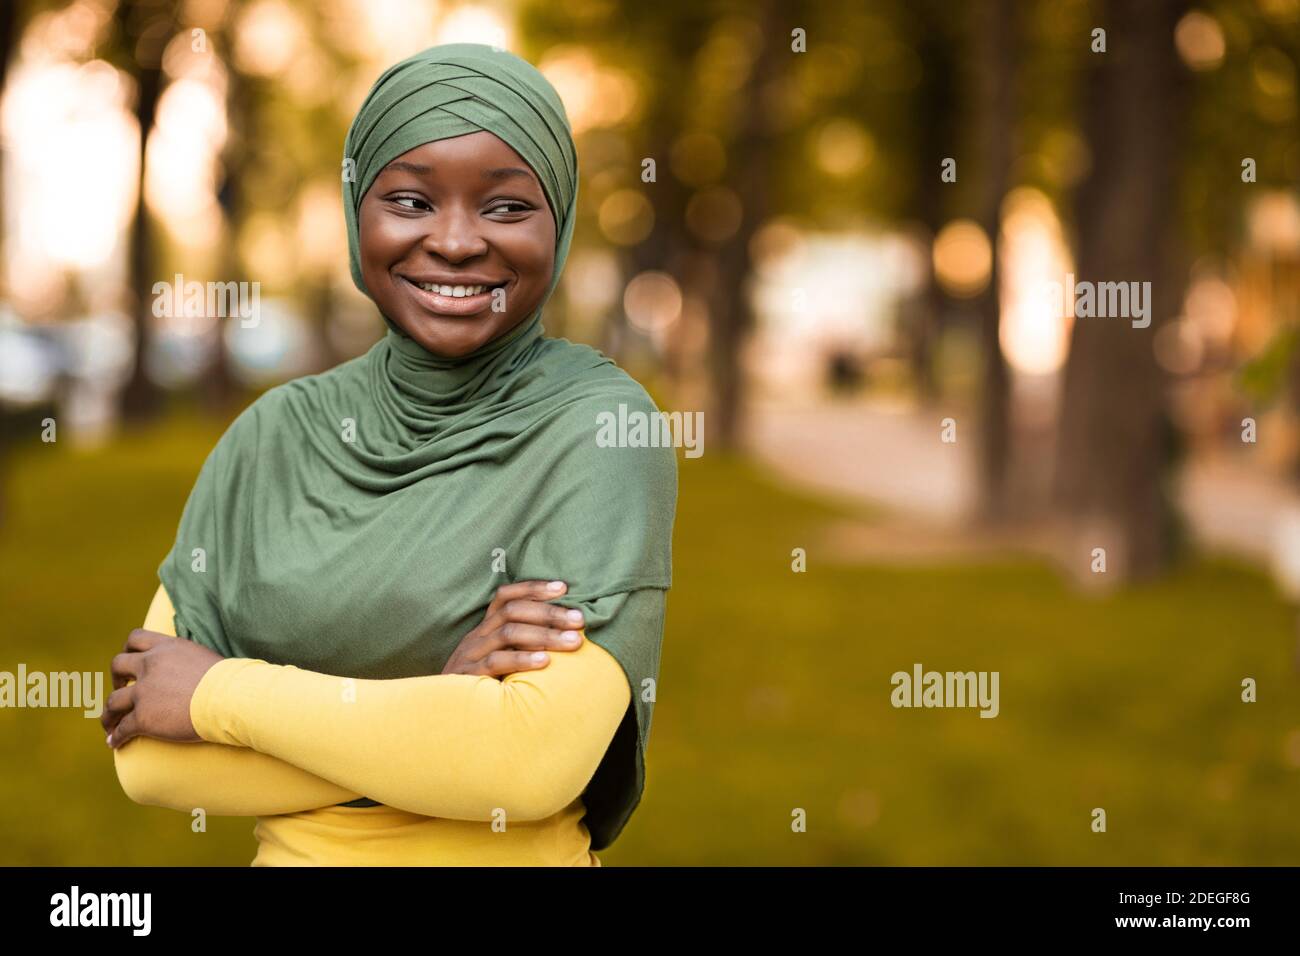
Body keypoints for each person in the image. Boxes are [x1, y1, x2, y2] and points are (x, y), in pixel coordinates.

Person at [103, 42, 678, 866]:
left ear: (563, 219)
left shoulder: (601, 432)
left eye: (507, 207)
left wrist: (216, 696)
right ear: (354, 216)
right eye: (409, 200)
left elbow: (527, 764)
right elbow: (150, 758)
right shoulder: (273, 437)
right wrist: (441, 711)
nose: (453, 242)